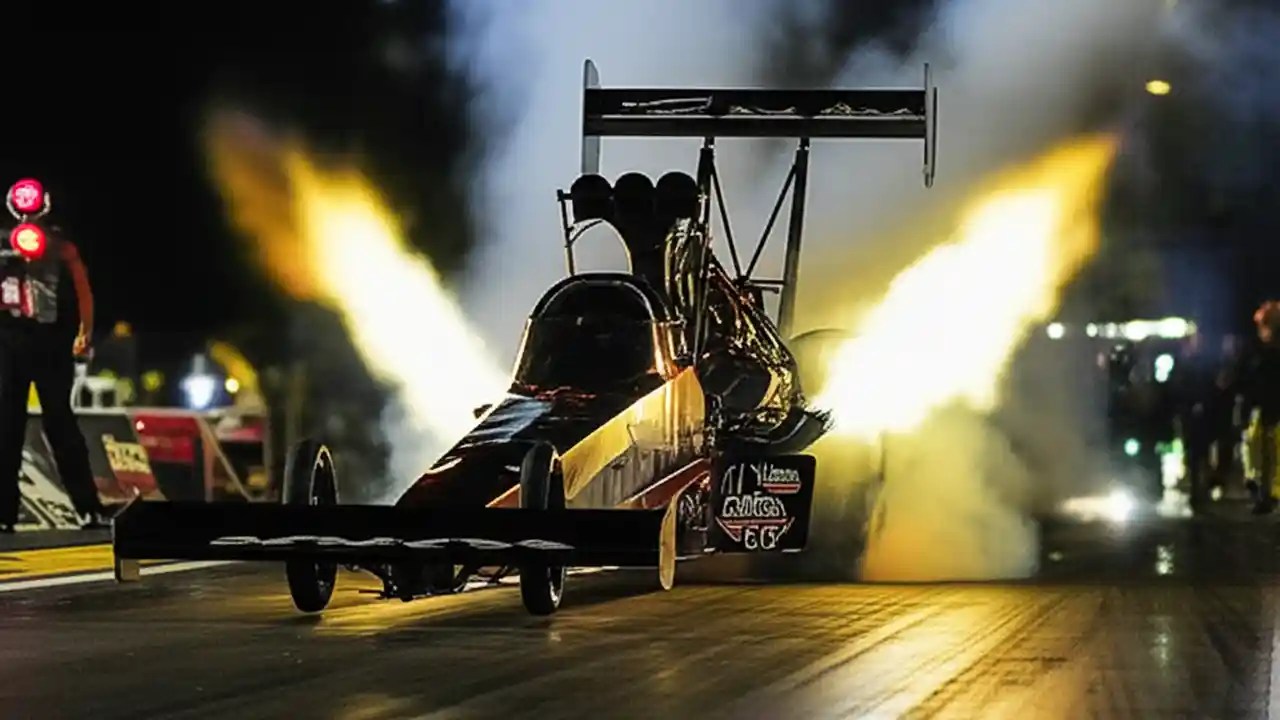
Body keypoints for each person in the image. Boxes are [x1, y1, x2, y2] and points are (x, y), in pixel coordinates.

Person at [0, 180, 105, 532]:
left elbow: (83, 291)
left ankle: (88, 508)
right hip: (9, 339)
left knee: (61, 423)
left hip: (50, 340)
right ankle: (4, 513)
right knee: (6, 427)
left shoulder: (62, 246)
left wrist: (84, 333)